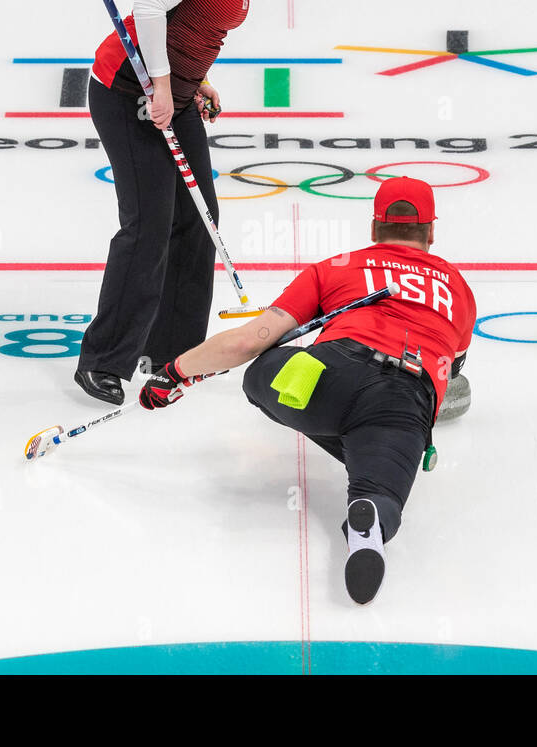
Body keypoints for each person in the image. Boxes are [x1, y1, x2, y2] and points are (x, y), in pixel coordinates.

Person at [137, 177, 477, 604]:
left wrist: (175, 372)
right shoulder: (459, 289)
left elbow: (247, 341)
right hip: (404, 394)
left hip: (327, 373)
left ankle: (328, 406)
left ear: (374, 228)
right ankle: (366, 527)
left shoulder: (335, 268)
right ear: (431, 232)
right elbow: (456, 375)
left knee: (262, 370)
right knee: (383, 493)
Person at [74, 0, 318, 406]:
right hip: (127, 93)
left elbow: (190, 22)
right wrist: (162, 84)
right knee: (149, 224)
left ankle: (173, 353)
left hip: (173, 93)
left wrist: (194, 80)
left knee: (197, 216)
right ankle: (103, 360)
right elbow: (148, 6)